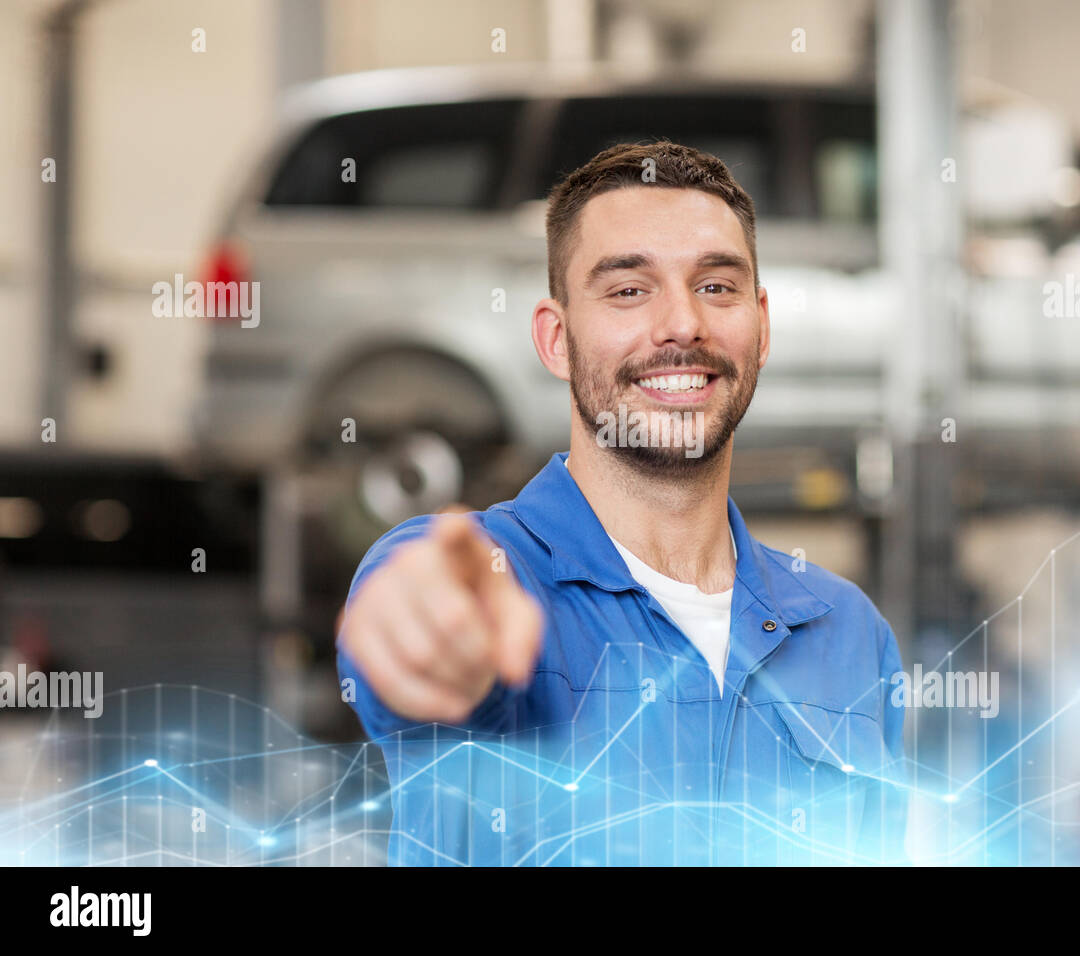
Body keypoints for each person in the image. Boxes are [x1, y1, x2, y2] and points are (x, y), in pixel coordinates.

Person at [336, 140, 908, 866]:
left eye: (717, 287)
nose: (682, 324)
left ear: (761, 328)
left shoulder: (849, 632)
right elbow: (414, 622)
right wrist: (428, 628)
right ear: (556, 339)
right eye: (629, 290)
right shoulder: (486, 575)